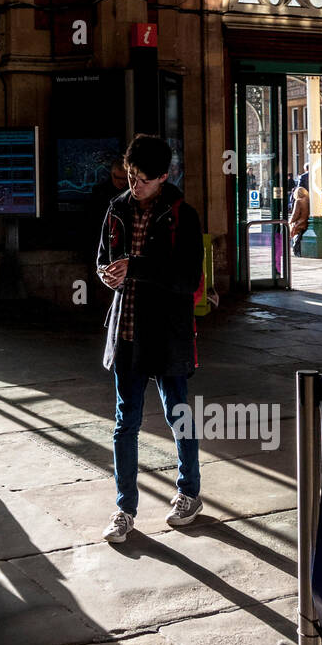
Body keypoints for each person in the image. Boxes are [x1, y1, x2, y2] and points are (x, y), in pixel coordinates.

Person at [96, 133, 205, 543]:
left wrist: (135, 267)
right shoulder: (116, 210)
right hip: (126, 333)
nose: (133, 185)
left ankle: (189, 492)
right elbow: (102, 258)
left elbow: (187, 278)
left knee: (179, 417)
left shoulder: (182, 215)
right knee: (126, 425)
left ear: (163, 176)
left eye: (142, 178)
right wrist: (106, 274)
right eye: (129, 175)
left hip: (167, 333)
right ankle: (125, 508)